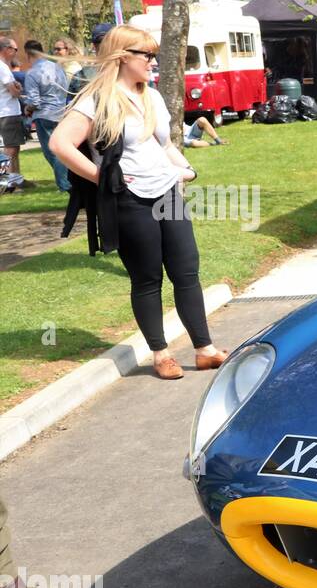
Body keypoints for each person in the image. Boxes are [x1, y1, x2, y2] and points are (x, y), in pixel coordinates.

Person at [49, 25, 227, 380]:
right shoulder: (96, 100)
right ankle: (161, 355)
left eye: (153, 55)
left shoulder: (153, 96)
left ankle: (204, 349)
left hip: (168, 193)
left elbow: (162, 143)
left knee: (186, 271)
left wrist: (186, 169)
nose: (152, 61)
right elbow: (60, 144)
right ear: (122, 56)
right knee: (147, 278)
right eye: (146, 55)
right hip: (130, 201)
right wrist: (105, 180)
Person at [21, 40, 72, 192]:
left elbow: (34, 101)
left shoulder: (32, 73)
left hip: (44, 115)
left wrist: (27, 108)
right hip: (61, 112)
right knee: (63, 149)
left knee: (53, 153)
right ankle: (69, 181)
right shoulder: (58, 68)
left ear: (28, 53)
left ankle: (65, 185)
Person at [0, 37, 23, 179]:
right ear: (7, 49)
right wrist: (19, 90)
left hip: (4, 111)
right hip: (8, 112)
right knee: (11, 149)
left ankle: (15, 179)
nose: (16, 52)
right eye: (15, 49)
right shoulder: (2, 67)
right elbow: (13, 91)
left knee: (14, 147)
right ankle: (3, 179)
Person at [67, 22, 112, 96]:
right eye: (101, 41)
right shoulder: (80, 76)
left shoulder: (128, 72)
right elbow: (72, 104)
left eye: (110, 40)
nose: (106, 44)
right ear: (94, 45)